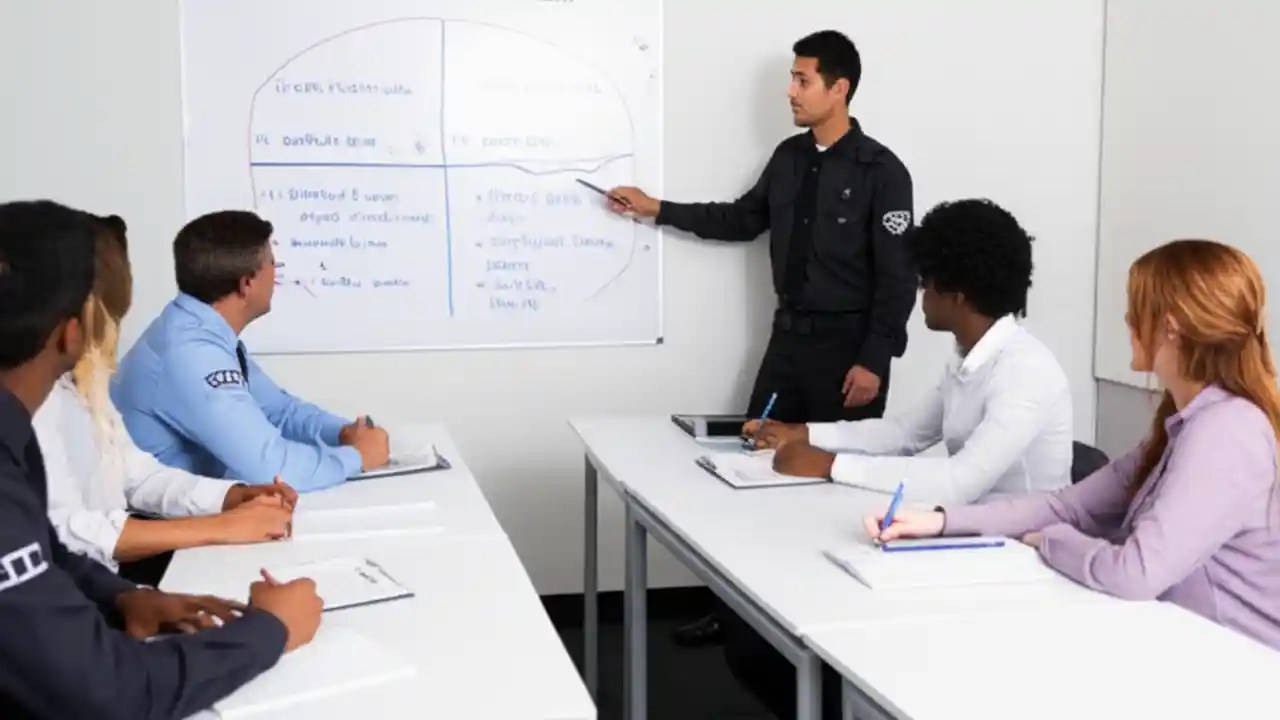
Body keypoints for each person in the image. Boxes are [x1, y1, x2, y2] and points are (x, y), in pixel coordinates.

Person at [609, 28, 916, 647]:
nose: (790, 91)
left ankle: (835, 630)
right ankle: (735, 617)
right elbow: (741, 219)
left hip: (846, 353)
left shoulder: (883, 172)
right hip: (788, 344)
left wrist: (874, 360)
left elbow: (898, 276)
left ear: (840, 88)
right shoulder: (789, 158)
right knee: (750, 461)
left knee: (831, 482)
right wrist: (657, 207)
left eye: (803, 80)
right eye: (791, 78)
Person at [868, 239, 1280, 651]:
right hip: (1183, 644)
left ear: (1170, 327)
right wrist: (938, 522)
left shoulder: (1228, 432)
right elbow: (1066, 506)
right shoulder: (1188, 424)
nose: (1126, 319)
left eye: (1136, 309)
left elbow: (1136, 573)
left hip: (1236, 670)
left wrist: (1051, 540)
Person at [0, 199, 323, 718]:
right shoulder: (24, 425)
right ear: (73, 329)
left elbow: (53, 546)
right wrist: (269, 629)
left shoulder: (37, 412)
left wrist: (123, 596)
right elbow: (112, 690)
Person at [747, 199, 1073, 505]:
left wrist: (830, 465)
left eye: (925, 282)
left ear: (958, 295)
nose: (921, 293)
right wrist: (803, 432)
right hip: (977, 529)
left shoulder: (1025, 371)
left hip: (1023, 546)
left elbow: (959, 482)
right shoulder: (970, 360)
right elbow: (904, 434)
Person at [35, 213, 296, 585]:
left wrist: (233, 497)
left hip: (106, 585)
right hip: (70, 599)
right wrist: (221, 526)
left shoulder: (82, 382)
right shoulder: (33, 403)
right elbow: (66, 532)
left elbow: (137, 475)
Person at [113, 210, 390, 492]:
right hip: (165, 523)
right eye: (272, 263)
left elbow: (279, 412)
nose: (277, 271)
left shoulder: (199, 332)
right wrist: (358, 457)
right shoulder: (189, 355)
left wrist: (344, 434)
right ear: (247, 283)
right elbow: (271, 469)